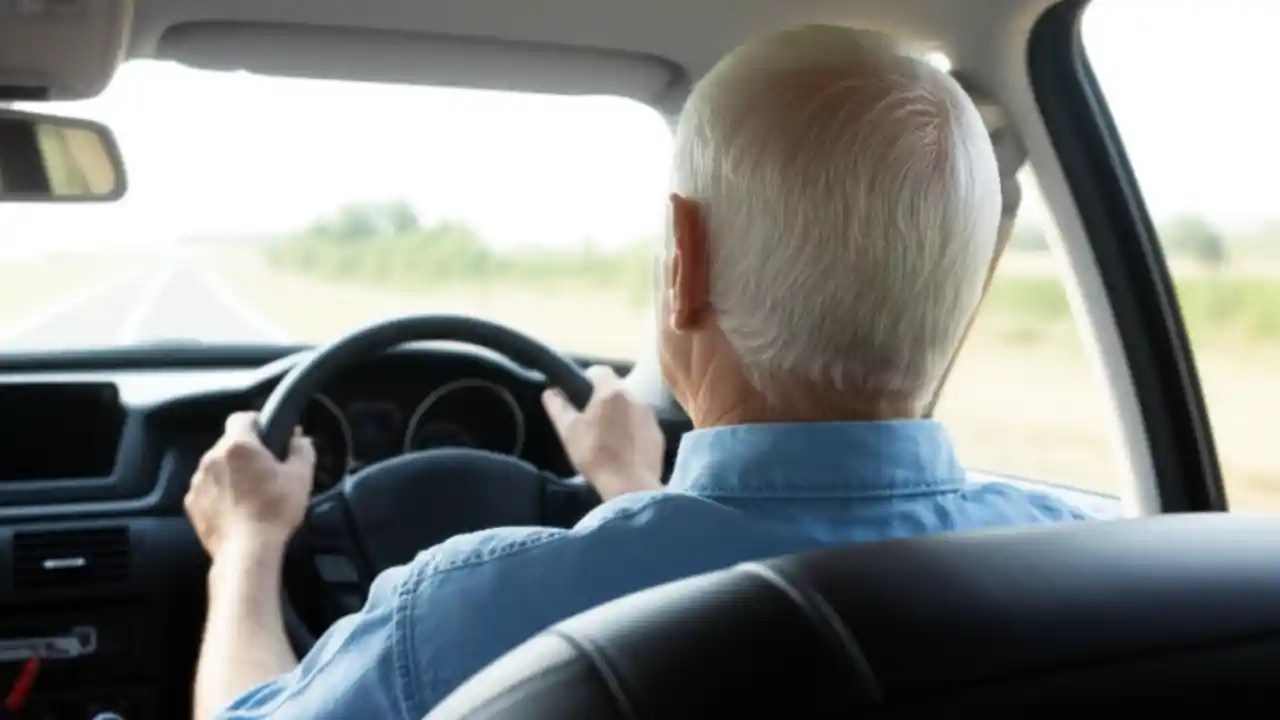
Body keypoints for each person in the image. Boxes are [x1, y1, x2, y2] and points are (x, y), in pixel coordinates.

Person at [186, 25, 1090, 720]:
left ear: (682, 260)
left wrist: (249, 544)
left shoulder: (470, 611)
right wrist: (628, 487)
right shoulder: (1082, 563)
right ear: (968, 281)